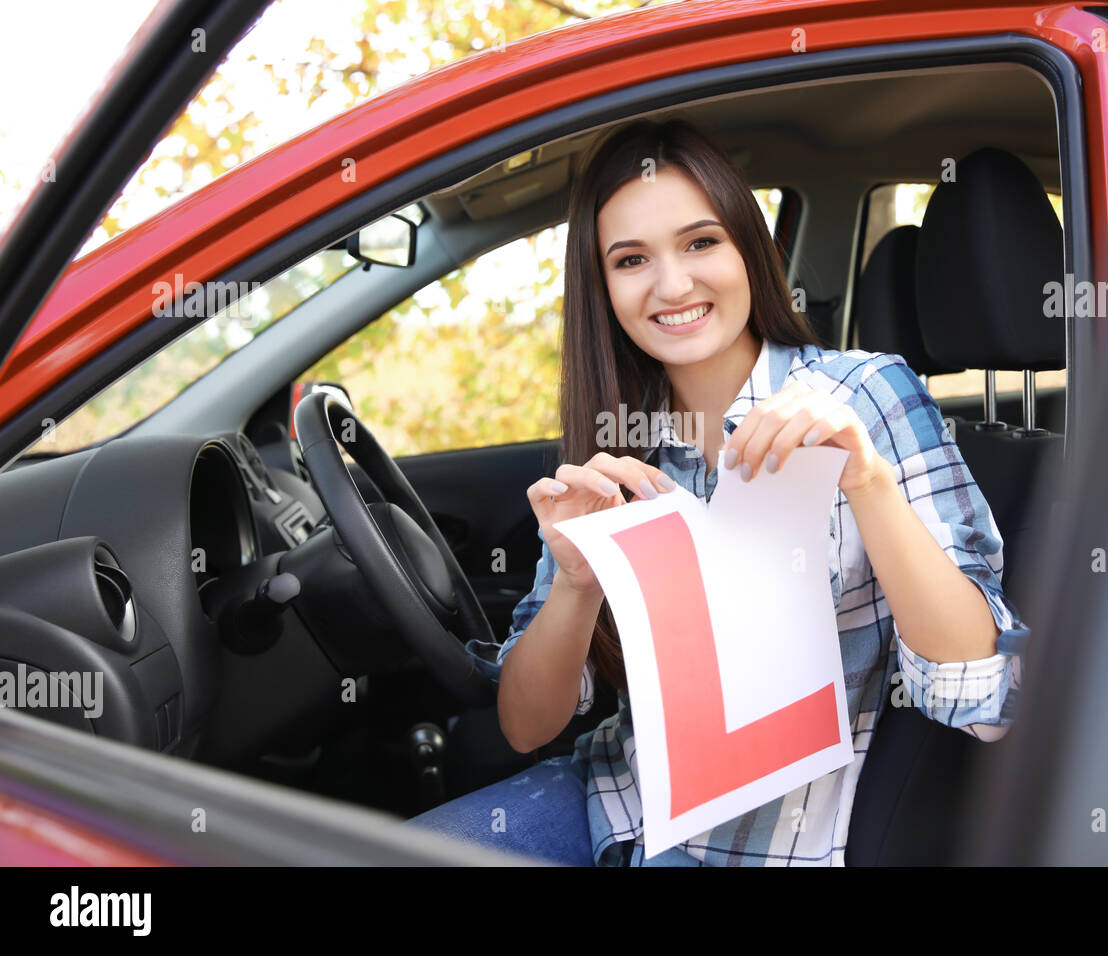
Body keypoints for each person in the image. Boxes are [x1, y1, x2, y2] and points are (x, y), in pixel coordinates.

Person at [405, 117, 1029, 866]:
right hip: (608, 800)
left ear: (747, 249)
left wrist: (867, 482)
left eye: (701, 242)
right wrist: (574, 581)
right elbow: (526, 728)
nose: (673, 285)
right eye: (631, 259)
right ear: (603, 287)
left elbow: (985, 700)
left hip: (759, 847)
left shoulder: (865, 396)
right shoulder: (617, 442)